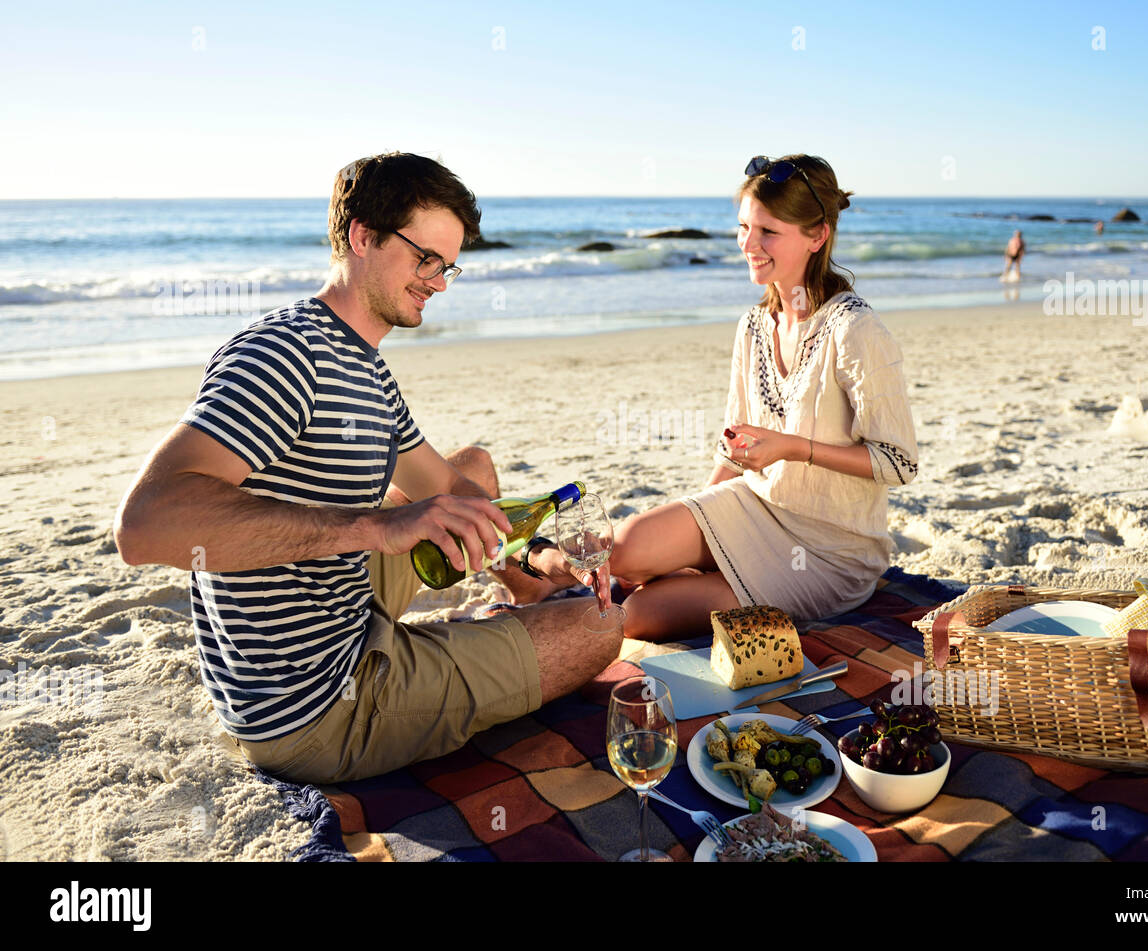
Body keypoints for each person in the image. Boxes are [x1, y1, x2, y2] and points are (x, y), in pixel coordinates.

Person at [113, 152, 620, 784]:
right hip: (318, 706)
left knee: (475, 468)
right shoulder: (284, 355)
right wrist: (377, 528)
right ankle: (498, 638)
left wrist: (538, 555)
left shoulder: (362, 363)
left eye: (448, 266)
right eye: (425, 258)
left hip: (342, 600)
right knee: (602, 626)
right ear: (362, 236)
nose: (439, 283)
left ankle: (520, 595)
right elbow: (143, 527)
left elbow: (449, 485)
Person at [606, 154, 919, 641]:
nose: (748, 244)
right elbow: (733, 451)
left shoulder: (855, 329)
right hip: (754, 507)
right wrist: (701, 517)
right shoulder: (752, 326)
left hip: (831, 552)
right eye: (743, 228)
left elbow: (899, 463)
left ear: (817, 236)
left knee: (638, 616)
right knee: (624, 552)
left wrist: (794, 448)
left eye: (768, 232)